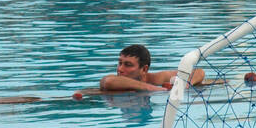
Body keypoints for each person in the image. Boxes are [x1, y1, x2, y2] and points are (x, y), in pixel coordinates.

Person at [73, 44, 205, 99]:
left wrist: (185, 84)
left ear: (144, 69)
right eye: (120, 63)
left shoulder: (156, 78)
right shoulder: (115, 80)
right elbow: (107, 82)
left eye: (127, 65)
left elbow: (199, 72)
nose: (120, 69)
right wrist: (154, 89)